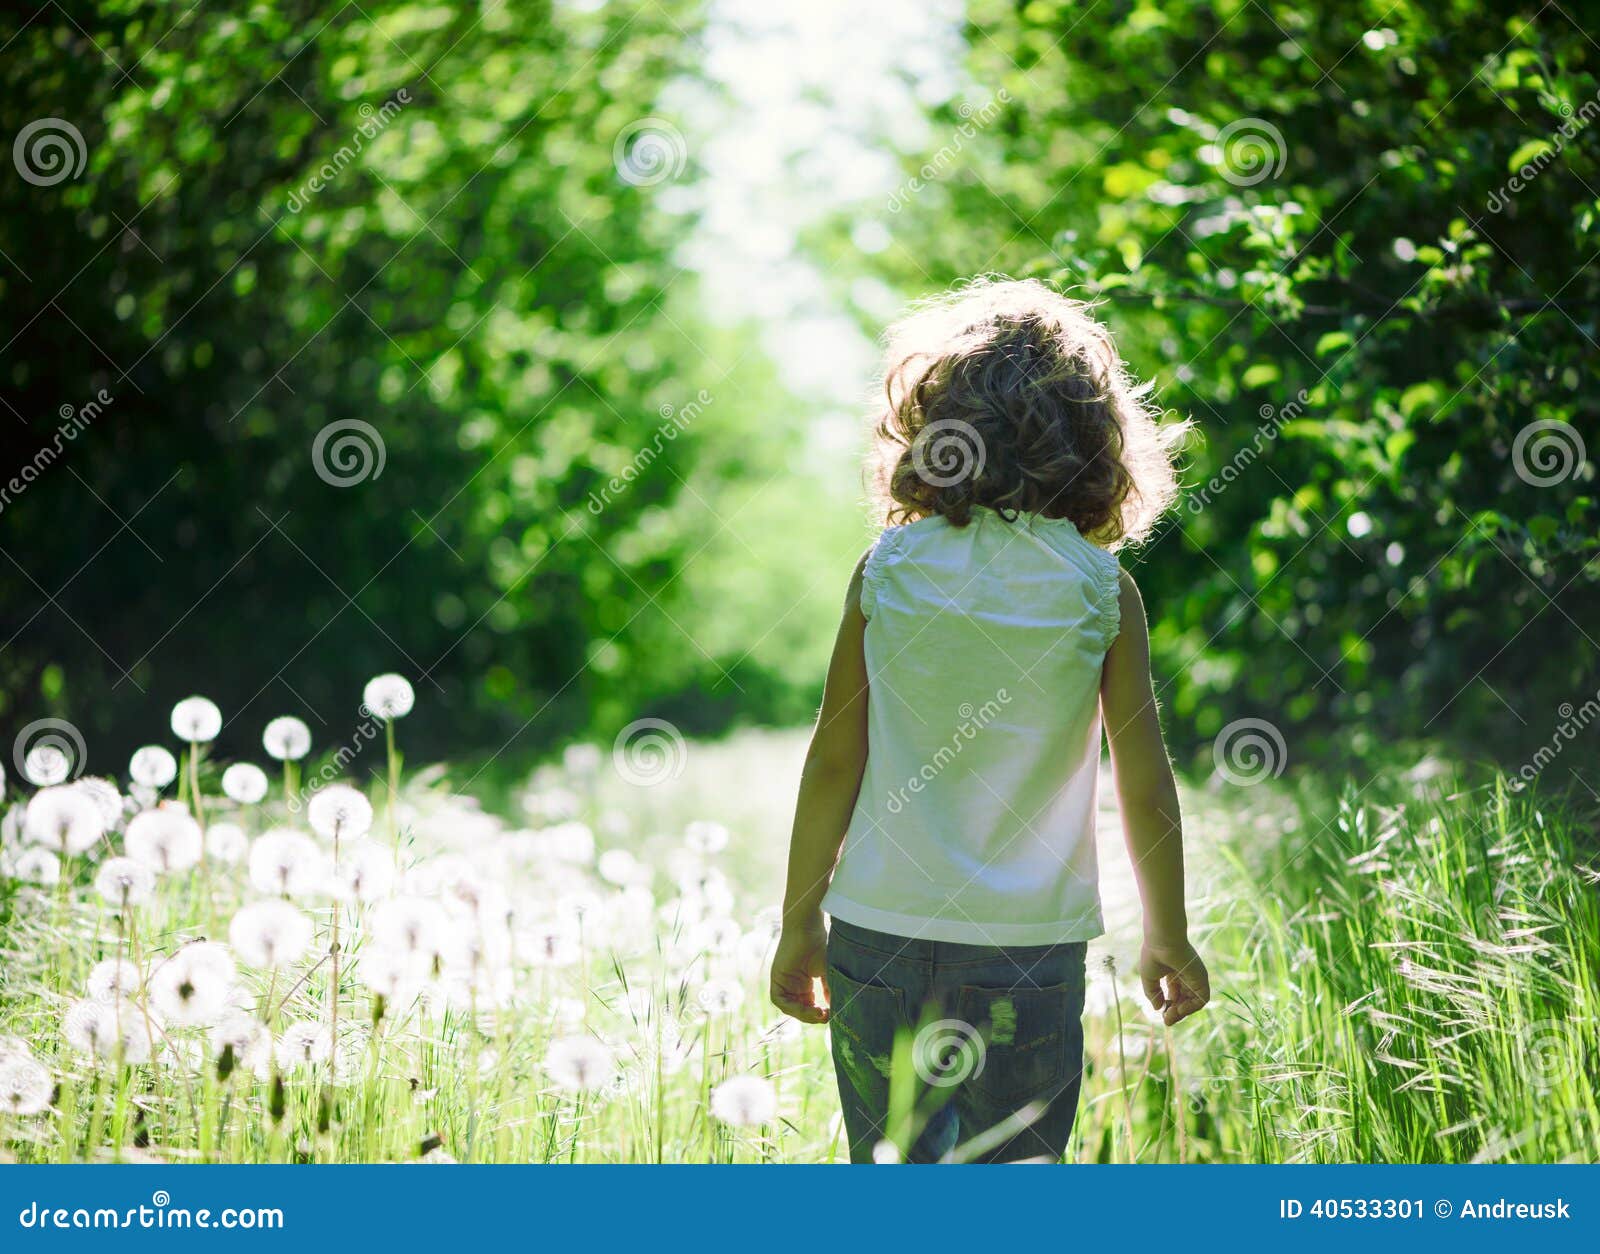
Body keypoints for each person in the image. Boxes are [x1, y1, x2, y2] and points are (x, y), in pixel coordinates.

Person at [769, 277, 1209, 1163]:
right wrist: (1167, 931)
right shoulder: (1099, 588)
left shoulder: (888, 570)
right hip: (1030, 952)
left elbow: (833, 760)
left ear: (933, 428)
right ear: (1097, 442)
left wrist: (798, 919)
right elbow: (1145, 784)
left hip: (877, 937)